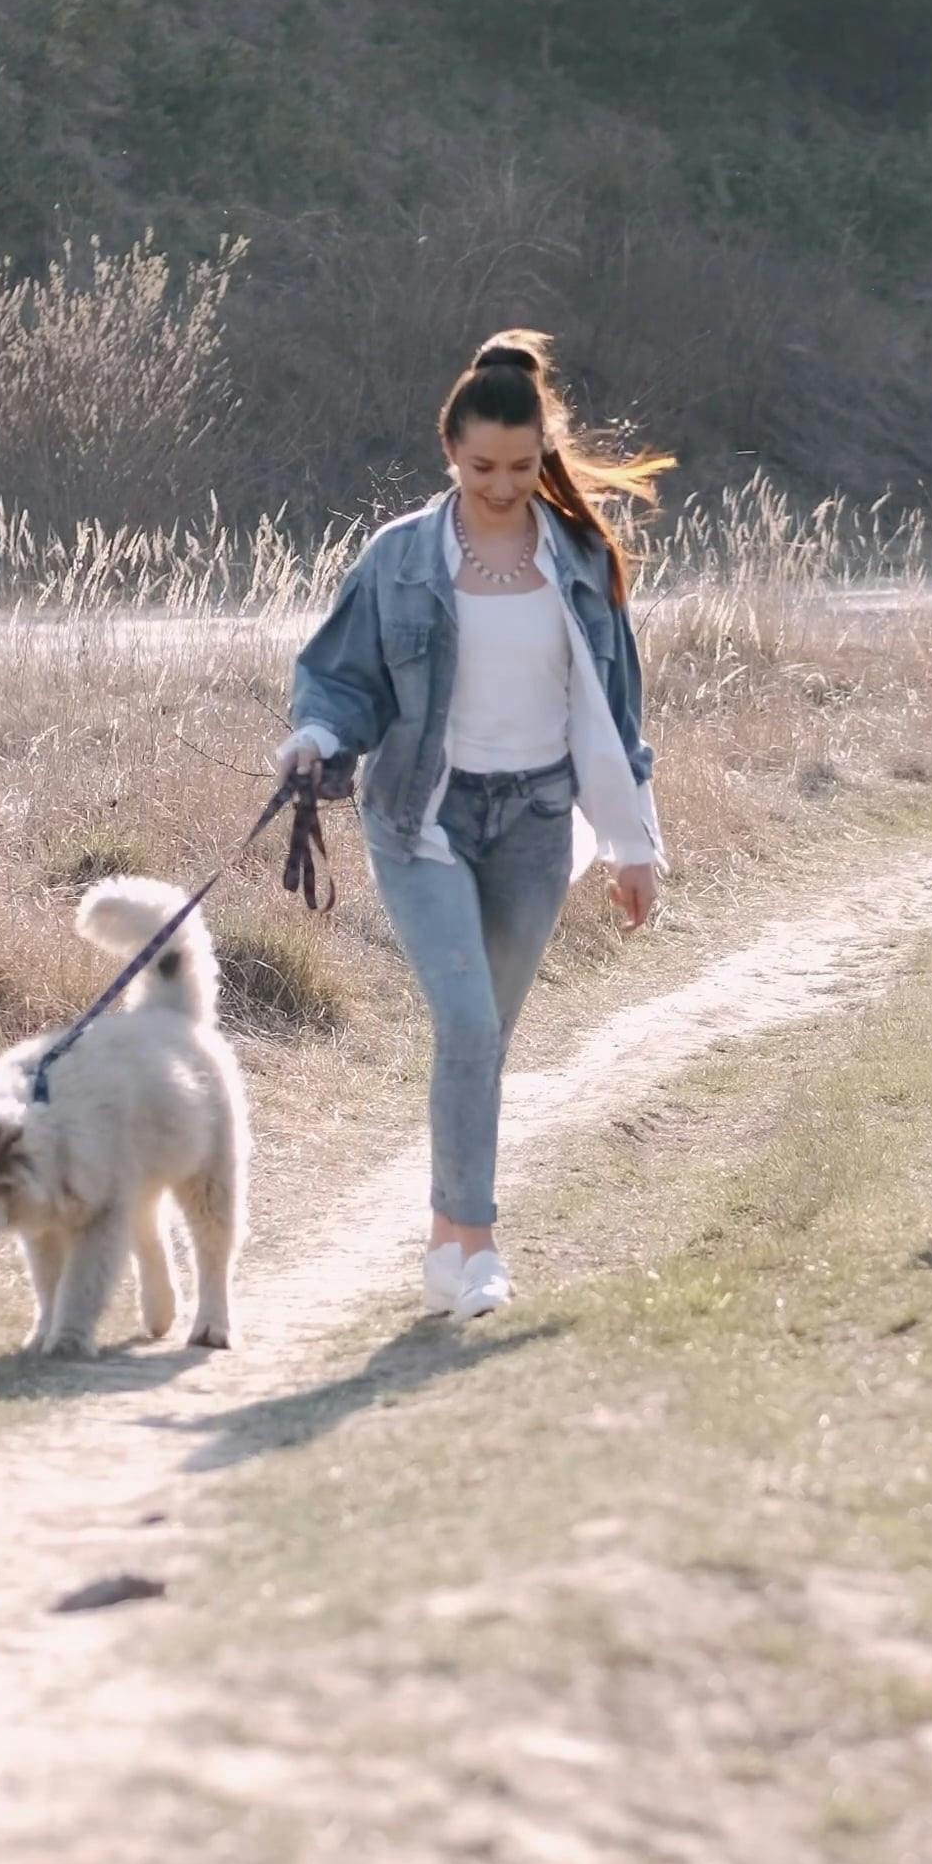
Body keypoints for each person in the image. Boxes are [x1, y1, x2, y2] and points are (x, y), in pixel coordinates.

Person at [280, 330, 668, 1320]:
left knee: (485, 1040)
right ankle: (481, 1242)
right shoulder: (400, 560)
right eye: (483, 466)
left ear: (546, 456)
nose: (502, 485)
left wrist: (635, 847)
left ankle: (448, 1241)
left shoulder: (581, 558)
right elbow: (342, 676)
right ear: (450, 451)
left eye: (523, 466)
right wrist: (317, 735)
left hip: (538, 820)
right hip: (425, 817)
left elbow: (617, 713)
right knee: (464, 1022)